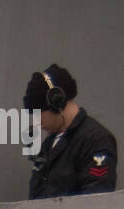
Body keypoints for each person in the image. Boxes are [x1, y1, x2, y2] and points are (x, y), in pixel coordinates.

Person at [25, 65, 117, 198]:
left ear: (56, 102)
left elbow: (95, 200)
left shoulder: (96, 140)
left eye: (38, 112)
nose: (37, 121)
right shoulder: (48, 145)